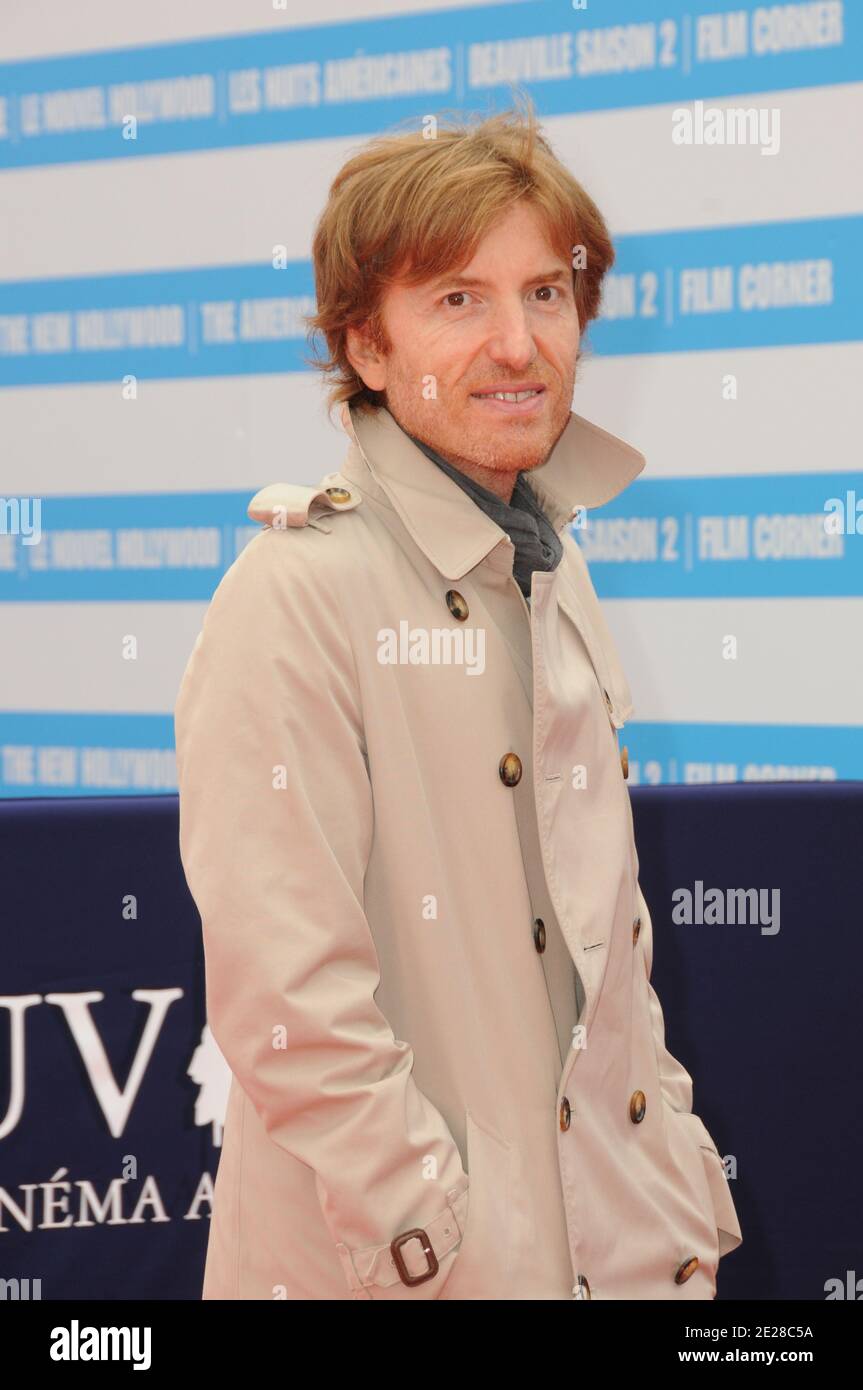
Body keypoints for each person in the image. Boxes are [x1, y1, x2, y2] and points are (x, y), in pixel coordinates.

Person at [174, 102, 743, 1300]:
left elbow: (610, 967)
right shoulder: (295, 591)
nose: (518, 343)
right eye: (455, 300)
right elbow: (294, 1006)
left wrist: (670, 1184)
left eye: (544, 293)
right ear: (365, 349)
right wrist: (438, 1247)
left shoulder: (552, 555)